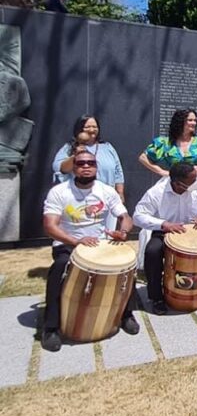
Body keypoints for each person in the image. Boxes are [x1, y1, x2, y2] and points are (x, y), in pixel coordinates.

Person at [41, 149, 138, 352]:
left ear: (96, 167)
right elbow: (50, 226)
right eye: (81, 163)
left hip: (101, 244)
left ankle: (126, 314)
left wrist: (122, 232)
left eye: (91, 163)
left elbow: (125, 217)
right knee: (59, 268)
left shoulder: (106, 191)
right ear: (73, 168)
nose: (86, 166)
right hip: (67, 244)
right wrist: (76, 241)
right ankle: (50, 327)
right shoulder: (59, 192)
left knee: (127, 267)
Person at [133, 163, 197, 313]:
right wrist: (164, 224)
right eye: (191, 181)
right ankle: (156, 297)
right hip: (166, 231)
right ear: (177, 183)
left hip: (195, 229)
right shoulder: (156, 192)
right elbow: (138, 216)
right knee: (152, 251)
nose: (196, 183)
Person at [52, 115, 126, 202]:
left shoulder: (107, 147)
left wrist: (120, 193)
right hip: (80, 199)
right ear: (80, 129)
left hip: (106, 198)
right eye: (87, 127)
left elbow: (118, 172)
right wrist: (75, 155)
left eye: (94, 127)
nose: (91, 130)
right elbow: (59, 168)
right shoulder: (69, 148)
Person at [139, 108, 197, 176]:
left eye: (195, 120)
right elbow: (143, 158)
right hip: (171, 181)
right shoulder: (165, 142)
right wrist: (161, 171)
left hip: (193, 181)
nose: (194, 123)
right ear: (180, 121)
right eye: (190, 120)